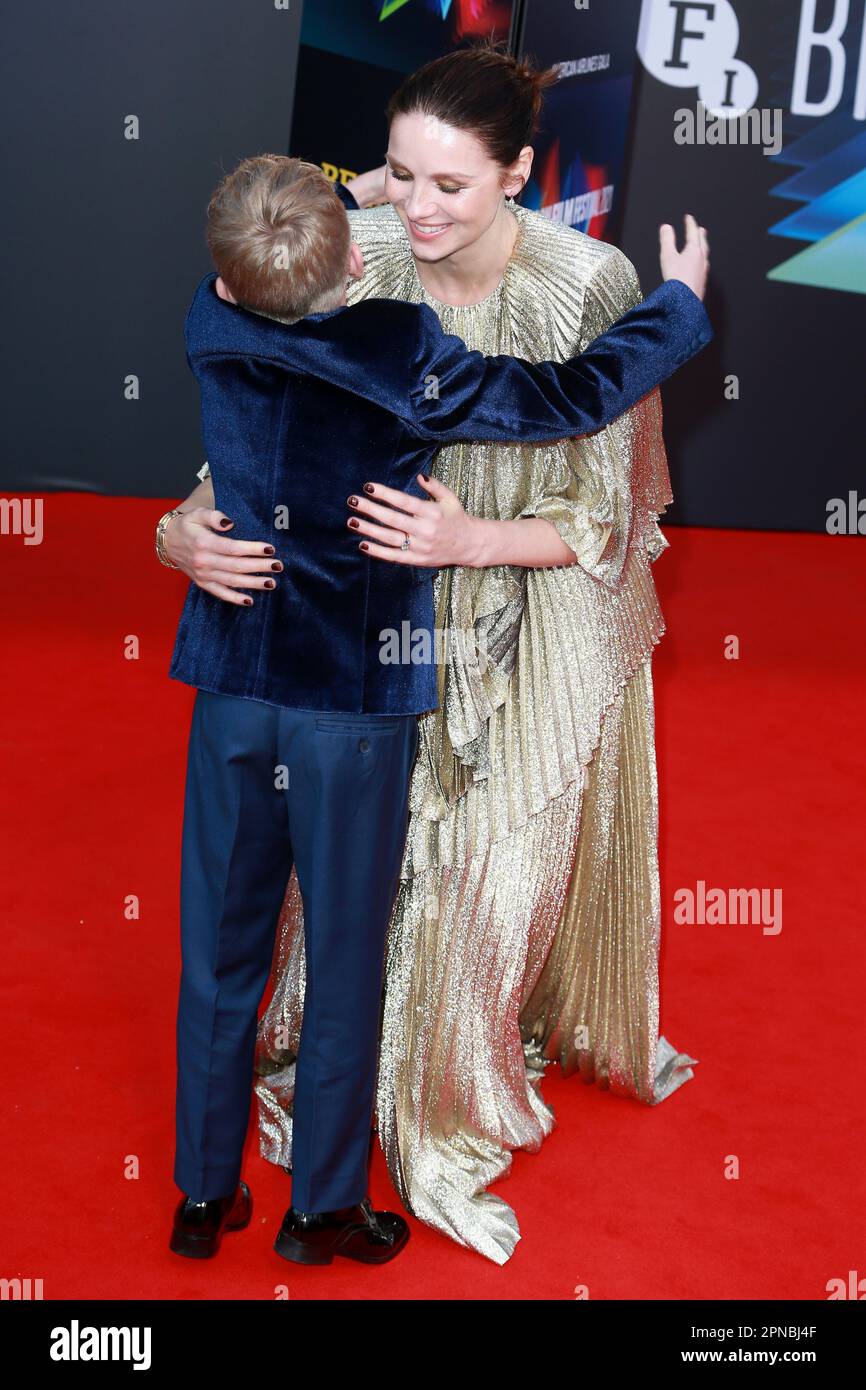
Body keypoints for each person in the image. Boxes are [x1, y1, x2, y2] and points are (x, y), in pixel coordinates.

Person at [162, 43, 709, 1265]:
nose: (406, 208)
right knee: (350, 955)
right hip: (356, 700)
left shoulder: (217, 308)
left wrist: (468, 534)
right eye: (390, 183)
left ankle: (202, 1198)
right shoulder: (391, 334)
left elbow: (294, 213)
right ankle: (323, 1210)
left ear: (519, 174)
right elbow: (568, 397)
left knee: (219, 946)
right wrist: (679, 305)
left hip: (245, 688)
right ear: (350, 249)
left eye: (444, 185)